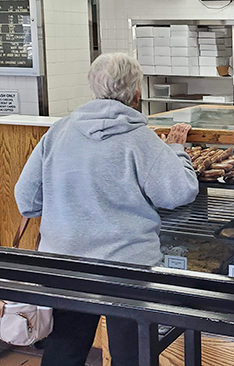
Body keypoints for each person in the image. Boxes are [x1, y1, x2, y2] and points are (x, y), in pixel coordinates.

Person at [15, 52, 199, 366]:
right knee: (132, 354)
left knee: (65, 349)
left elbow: (27, 201)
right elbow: (179, 192)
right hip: (126, 270)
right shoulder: (141, 140)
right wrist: (177, 151)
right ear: (137, 94)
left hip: (65, 265)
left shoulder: (58, 132)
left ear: (94, 88)